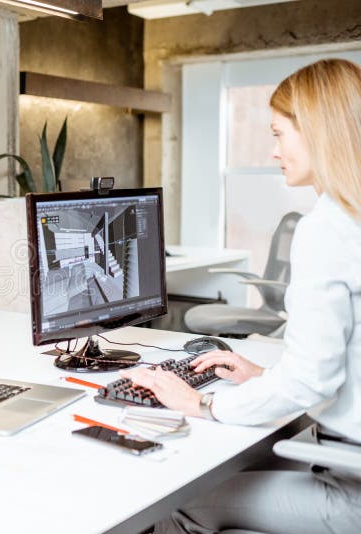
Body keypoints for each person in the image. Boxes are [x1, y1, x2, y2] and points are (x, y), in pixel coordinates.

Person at [124, 58, 361, 533]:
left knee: (180, 500)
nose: (274, 151)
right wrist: (264, 376)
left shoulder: (328, 229)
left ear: (317, 131)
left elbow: (310, 384)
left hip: (348, 486)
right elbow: (334, 362)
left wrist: (202, 404)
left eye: (278, 134)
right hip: (339, 454)